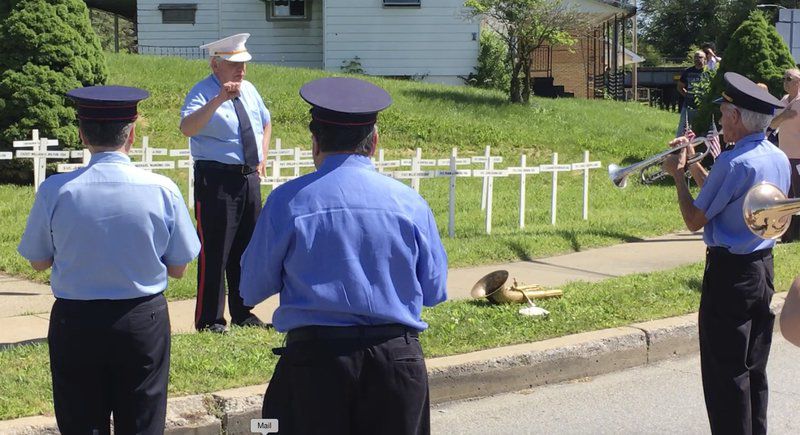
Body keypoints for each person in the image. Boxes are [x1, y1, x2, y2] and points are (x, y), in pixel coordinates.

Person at [240, 77, 448, 434]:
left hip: (315, 363)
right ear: (374, 143)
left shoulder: (287, 201)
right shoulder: (409, 203)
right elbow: (434, 290)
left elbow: (251, 287)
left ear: (314, 142)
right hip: (395, 361)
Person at [17, 85, 201, 434]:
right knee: (143, 421)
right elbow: (179, 267)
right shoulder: (162, 189)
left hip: (76, 321)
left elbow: (38, 262)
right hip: (141, 319)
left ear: (82, 134)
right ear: (131, 133)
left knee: (80, 421)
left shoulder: (56, 191)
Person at [662, 72, 790, 435]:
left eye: (724, 114)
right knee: (752, 367)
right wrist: (697, 166)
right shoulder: (776, 158)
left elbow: (694, 219)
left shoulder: (734, 162)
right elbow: (727, 196)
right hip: (762, 269)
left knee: (725, 375)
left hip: (729, 274)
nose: (720, 121)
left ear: (736, 117)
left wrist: (678, 176)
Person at [180, 33, 272, 333]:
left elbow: (266, 122)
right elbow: (187, 127)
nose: (241, 70)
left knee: (246, 249)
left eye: (244, 63)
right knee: (216, 251)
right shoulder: (202, 92)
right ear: (215, 64)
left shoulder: (251, 90)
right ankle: (210, 320)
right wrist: (219, 99)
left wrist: (263, 156)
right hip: (217, 179)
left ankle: (243, 312)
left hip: (248, 178)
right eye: (234, 64)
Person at [769, 68, 800, 242]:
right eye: (784, 78)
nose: (784, 81)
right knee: (786, 195)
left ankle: (796, 234)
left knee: (798, 195)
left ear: (798, 82)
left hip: (799, 156)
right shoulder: (783, 101)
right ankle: (787, 235)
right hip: (784, 156)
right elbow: (772, 124)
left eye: (788, 78)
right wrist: (785, 115)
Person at [676, 50, 707, 137]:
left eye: (700, 57)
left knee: (702, 130)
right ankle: (679, 148)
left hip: (703, 107)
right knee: (683, 128)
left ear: (705, 59)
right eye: (696, 57)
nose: (697, 59)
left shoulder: (708, 72)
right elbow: (680, 87)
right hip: (688, 106)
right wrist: (687, 95)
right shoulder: (687, 72)